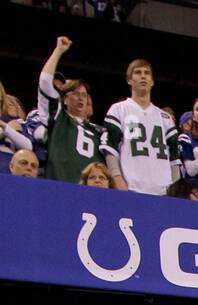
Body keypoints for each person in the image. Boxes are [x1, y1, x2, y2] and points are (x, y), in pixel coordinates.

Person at [100, 58, 179, 194]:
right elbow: (110, 149)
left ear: (152, 81)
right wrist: (119, 183)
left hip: (163, 193)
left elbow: (174, 159)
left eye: (147, 73)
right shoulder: (119, 109)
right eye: (138, 72)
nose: (143, 76)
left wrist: (175, 191)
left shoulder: (165, 118)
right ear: (129, 80)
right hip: (132, 189)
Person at [36, 36, 104, 183]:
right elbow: (45, 82)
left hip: (91, 190)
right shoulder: (59, 118)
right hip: (61, 185)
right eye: (75, 94)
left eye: (84, 95)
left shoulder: (99, 131)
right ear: (65, 99)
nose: (81, 98)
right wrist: (58, 51)